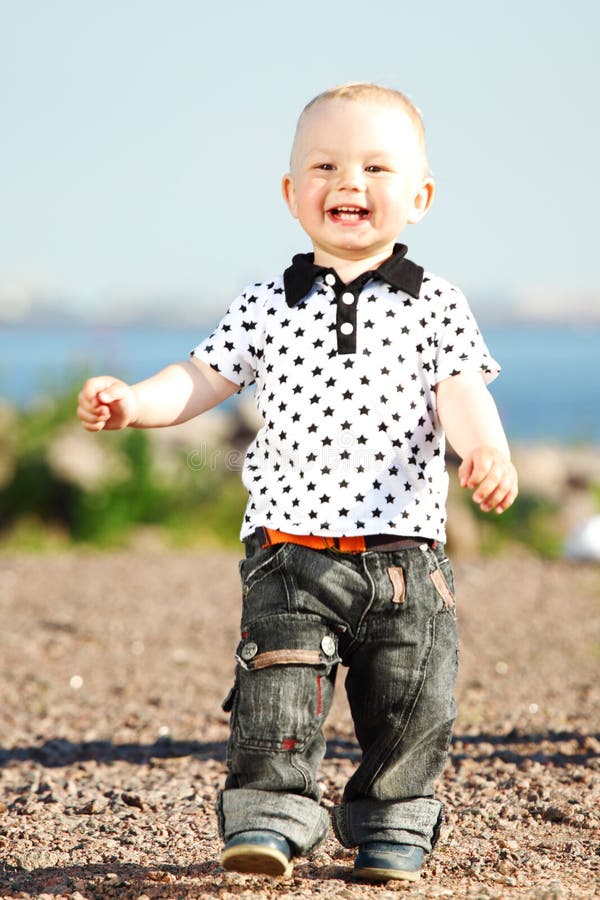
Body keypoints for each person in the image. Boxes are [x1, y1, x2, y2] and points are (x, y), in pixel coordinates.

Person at [77, 82, 518, 883]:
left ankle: (391, 824)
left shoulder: (436, 305)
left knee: (412, 706)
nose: (349, 182)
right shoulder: (265, 304)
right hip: (289, 552)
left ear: (418, 197)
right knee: (274, 699)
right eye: (325, 165)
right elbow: (202, 376)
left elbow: (461, 390)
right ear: (291, 193)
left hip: (405, 559)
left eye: (376, 167)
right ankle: (270, 819)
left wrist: (486, 450)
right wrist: (136, 403)